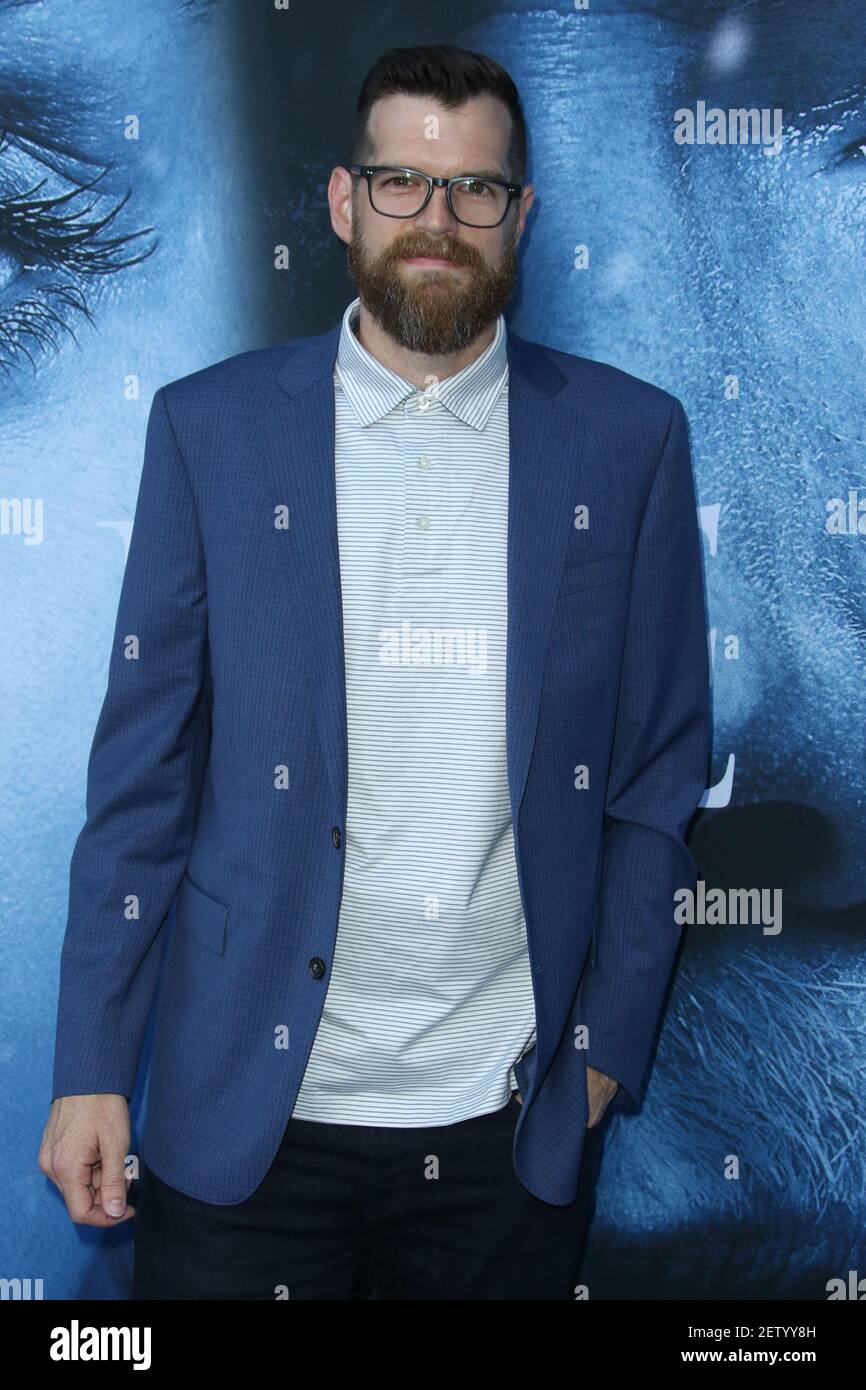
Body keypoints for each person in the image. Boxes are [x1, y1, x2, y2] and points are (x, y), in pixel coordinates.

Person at [39, 44, 710, 1300]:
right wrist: (91, 1066)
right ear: (345, 204)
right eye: (402, 183)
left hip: (506, 1136)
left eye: (473, 191)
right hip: (240, 1127)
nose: (436, 223)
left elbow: (657, 773)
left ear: (519, 217)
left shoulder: (628, 441)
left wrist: (605, 1047)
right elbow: (141, 781)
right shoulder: (208, 429)